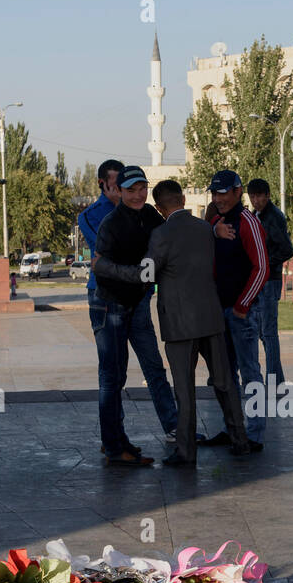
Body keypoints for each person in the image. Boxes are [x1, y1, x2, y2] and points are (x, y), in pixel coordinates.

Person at [93, 180, 249, 466]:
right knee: (225, 382)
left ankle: (186, 452)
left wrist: (103, 266)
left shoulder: (161, 235)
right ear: (184, 198)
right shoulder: (206, 229)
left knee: (184, 390)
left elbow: (146, 275)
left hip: (179, 323)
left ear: (158, 207)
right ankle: (240, 439)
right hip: (211, 317)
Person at [79, 159, 179, 444]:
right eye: (126, 188)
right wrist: (142, 273)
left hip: (137, 300)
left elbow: (169, 239)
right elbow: (103, 264)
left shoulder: (147, 215)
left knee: (154, 366)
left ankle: (174, 427)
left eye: (141, 188)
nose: (136, 194)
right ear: (111, 187)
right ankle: (114, 441)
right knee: (113, 375)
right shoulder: (99, 218)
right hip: (108, 302)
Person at [203, 169, 268, 451]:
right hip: (219, 313)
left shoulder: (247, 222)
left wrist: (243, 306)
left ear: (237, 192)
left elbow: (262, 268)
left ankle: (254, 434)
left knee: (250, 373)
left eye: (224, 193)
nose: (219, 198)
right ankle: (233, 429)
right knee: (225, 375)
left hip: (241, 313)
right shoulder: (216, 221)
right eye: (215, 194)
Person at [246, 178, 293, 386]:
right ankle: (277, 379)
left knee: (268, 333)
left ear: (267, 196)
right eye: (253, 196)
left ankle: (274, 381)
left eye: (259, 196)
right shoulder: (257, 214)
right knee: (261, 332)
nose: (256, 200)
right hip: (261, 279)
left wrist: (264, 264)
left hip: (269, 280)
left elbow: (286, 249)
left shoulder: (272, 217)